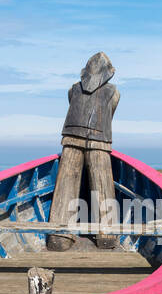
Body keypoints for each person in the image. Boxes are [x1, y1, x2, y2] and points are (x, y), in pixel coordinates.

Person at [45, 52, 121, 251]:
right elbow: (110, 113)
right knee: (102, 184)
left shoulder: (73, 90)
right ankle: (107, 236)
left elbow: (72, 102)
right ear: (109, 73)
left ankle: (58, 237)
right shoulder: (113, 92)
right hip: (100, 141)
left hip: (71, 137)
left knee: (66, 185)